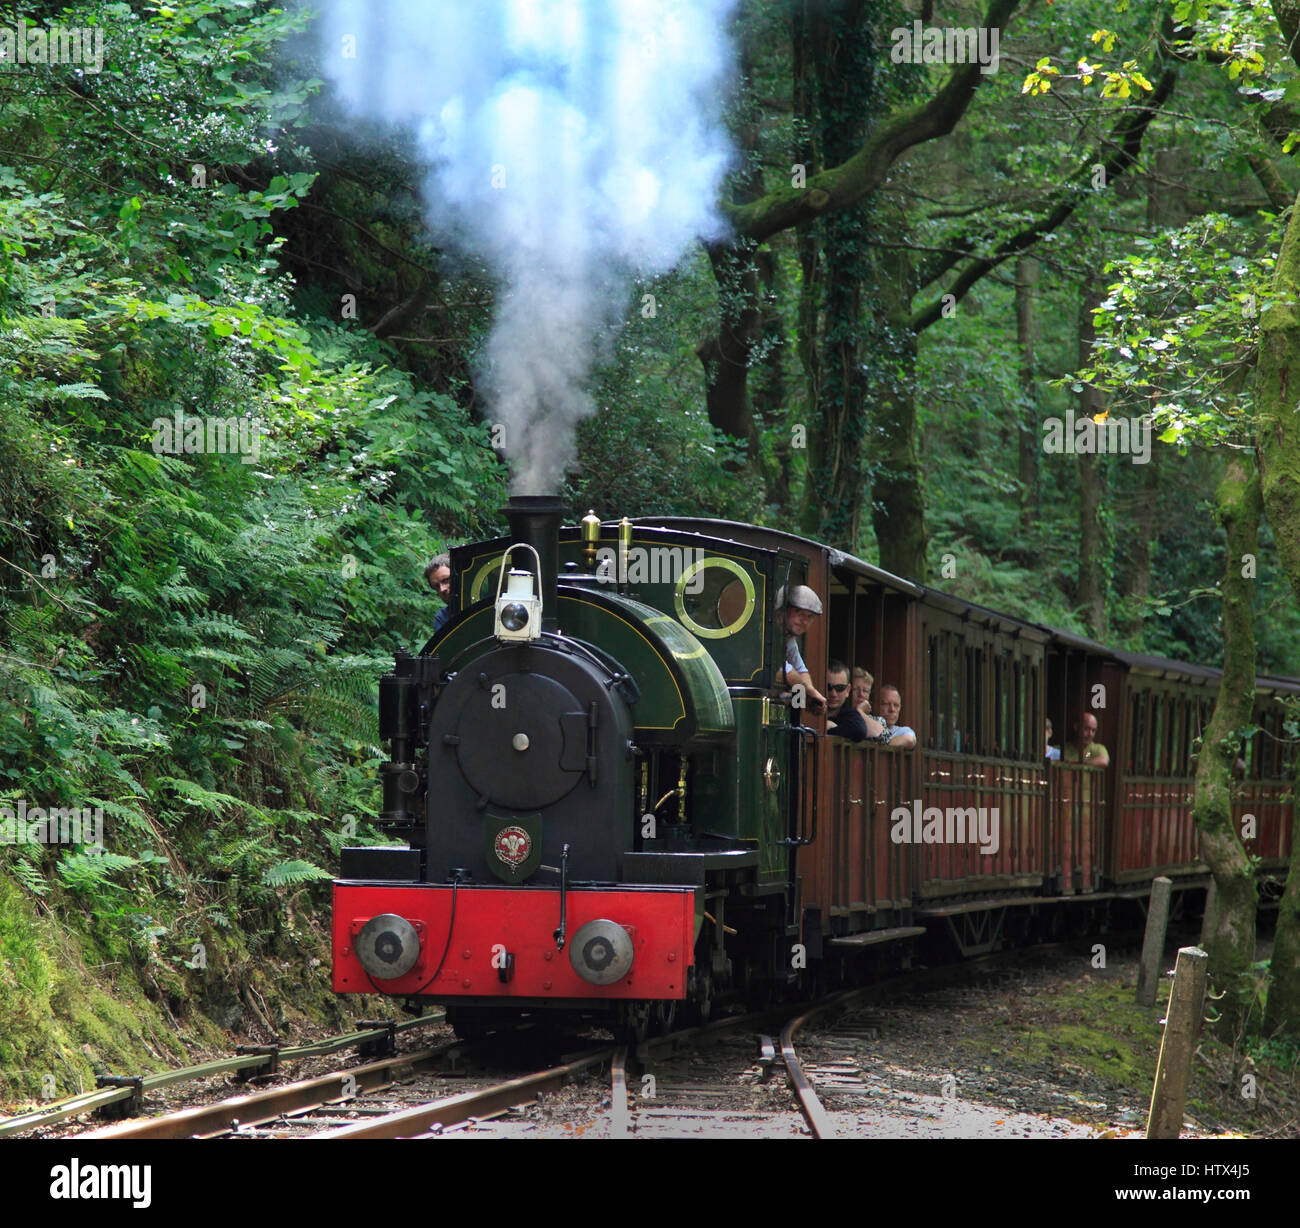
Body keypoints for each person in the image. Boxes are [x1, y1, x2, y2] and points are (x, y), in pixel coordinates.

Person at [781, 584, 826, 712]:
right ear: (785, 610)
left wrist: (809, 701)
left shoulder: (789, 639)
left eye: (809, 617)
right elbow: (783, 672)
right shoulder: (771, 632)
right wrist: (811, 692)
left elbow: (800, 670)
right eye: (799, 613)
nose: (804, 621)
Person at [825, 661, 878, 741]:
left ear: (847, 690)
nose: (833, 694)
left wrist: (834, 727)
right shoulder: (808, 711)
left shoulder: (849, 715)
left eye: (840, 688)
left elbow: (859, 730)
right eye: (828, 687)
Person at [874, 684, 917, 750]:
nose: (892, 709)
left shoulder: (902, 731)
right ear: (875, 705)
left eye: (896, 705)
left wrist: (880, 746)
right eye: (886, 704)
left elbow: (910, 740)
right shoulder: (867, 727)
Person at [425, 552, 452, 634]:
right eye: (436, 586)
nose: (442, 589)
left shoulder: (487, 601)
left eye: (446, 580)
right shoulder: (442, 618)